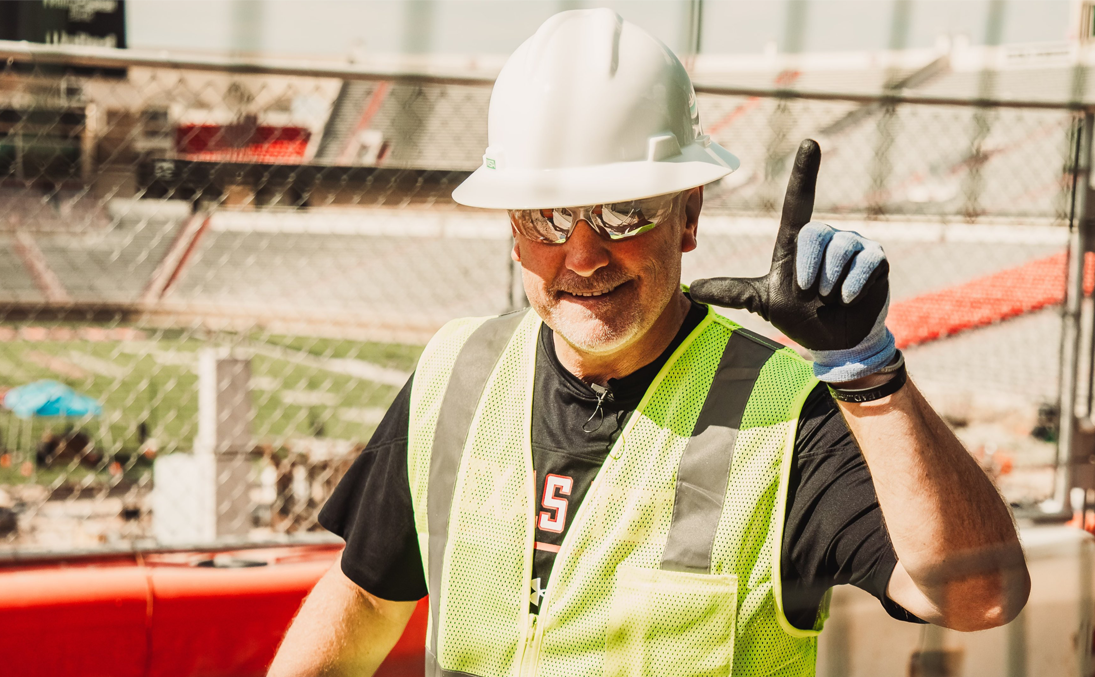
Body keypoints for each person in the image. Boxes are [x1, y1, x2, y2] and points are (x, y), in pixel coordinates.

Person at [269, 9, 1029, 677]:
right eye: (546, 216)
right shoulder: (453, 374)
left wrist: (871, 378)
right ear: (511, 230)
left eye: (624, 211)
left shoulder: (789, 418)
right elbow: (369, 592)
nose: (584, 253)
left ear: (688, 216)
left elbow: (979, 594)